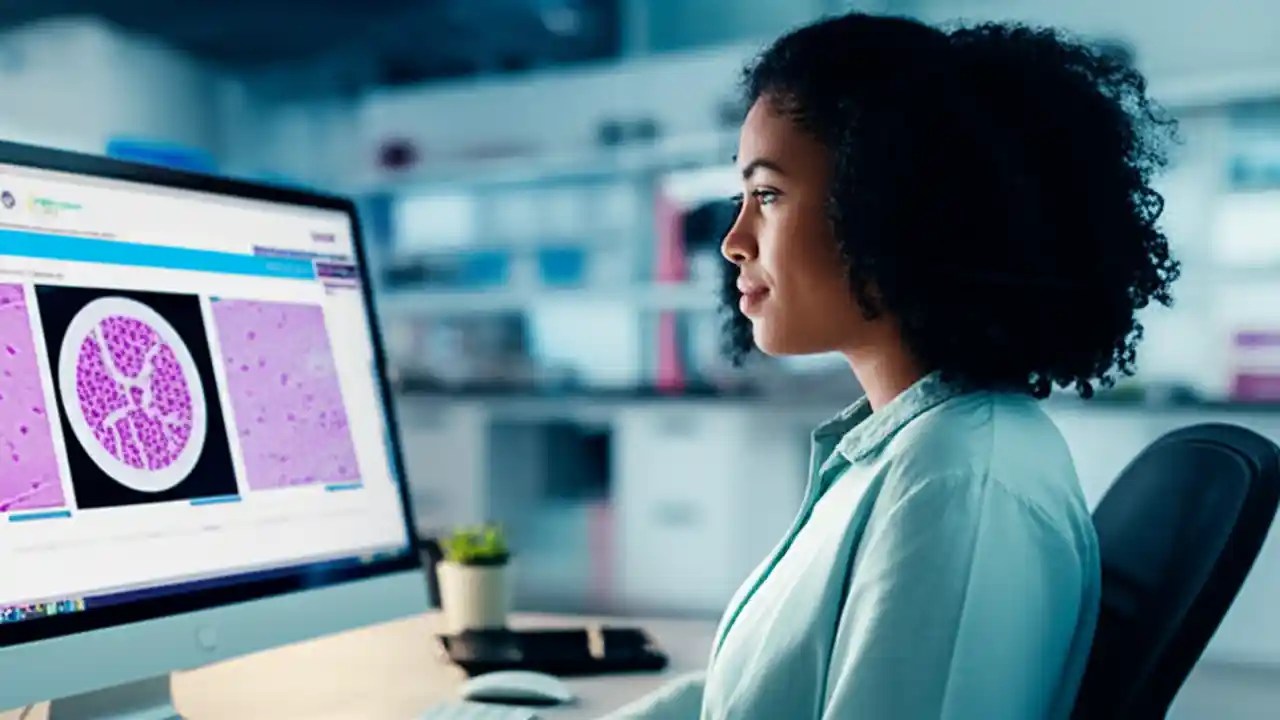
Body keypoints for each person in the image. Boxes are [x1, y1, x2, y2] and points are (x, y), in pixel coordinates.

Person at [605, 12, 1179, 720]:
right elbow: (759, 693)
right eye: (742, 198)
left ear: (890, 208)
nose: (733, 241)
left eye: (770, 195)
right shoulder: (905, 448)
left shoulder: (958, 481)